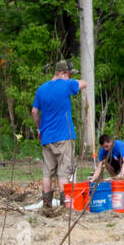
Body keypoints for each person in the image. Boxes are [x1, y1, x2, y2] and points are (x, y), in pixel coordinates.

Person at [30, 59, 87, 214]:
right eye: (69, 74)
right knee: (63, 172)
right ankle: (64, 206)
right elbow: (84, 83)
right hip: (64, 136)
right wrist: (69, 80)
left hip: (47, 136)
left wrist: (39, 128)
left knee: (47, 172)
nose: (69, 77)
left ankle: (46, 204)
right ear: (63, 73)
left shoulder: (41, 89)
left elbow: (34, 112)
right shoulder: (66, 84)